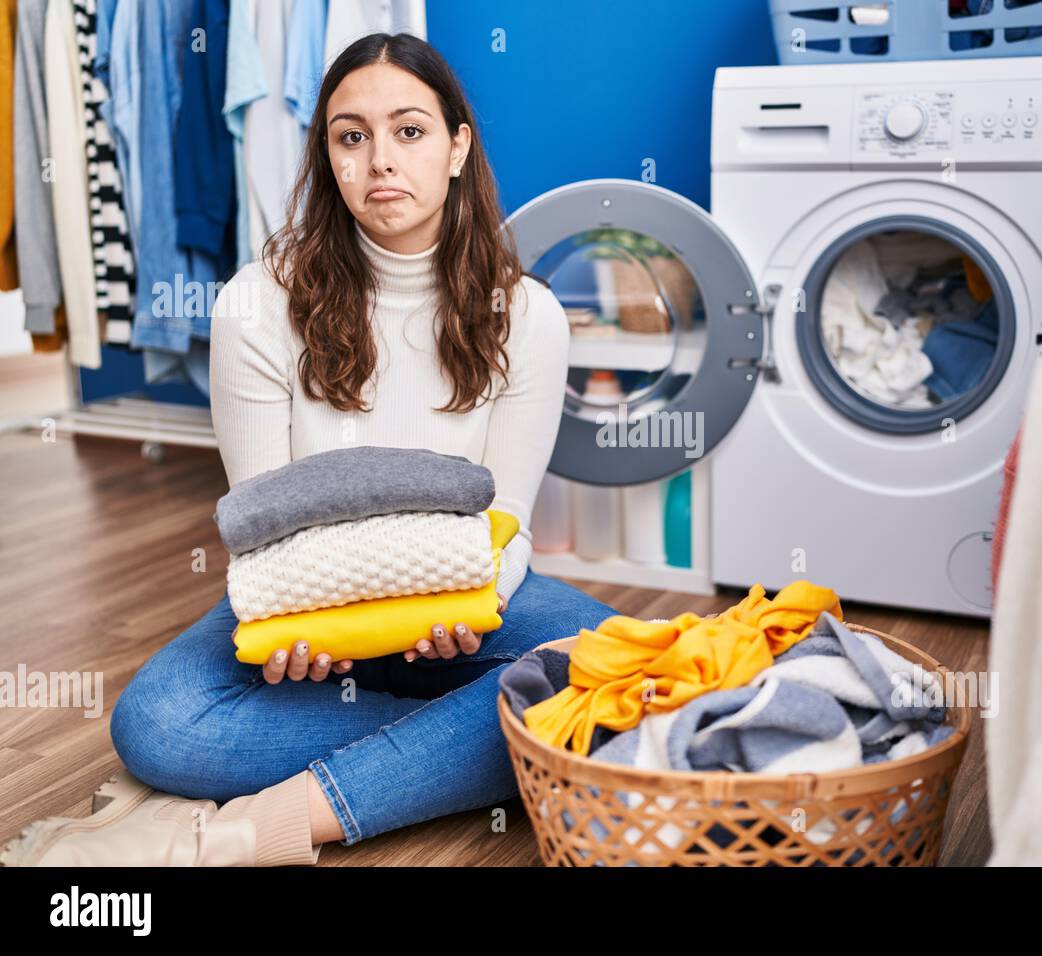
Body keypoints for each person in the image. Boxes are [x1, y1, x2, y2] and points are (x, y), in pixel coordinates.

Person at [0, 33, 619, 867]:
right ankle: (506, 735)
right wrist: (304, 620)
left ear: (458, 146)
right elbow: (265, 520)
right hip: (310, 596)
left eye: (409, 131)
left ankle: (255, 831)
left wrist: (448, 612)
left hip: (473, 599)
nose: (379, 162)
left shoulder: (529, 315)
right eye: (351, 137)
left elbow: (504, 520)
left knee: (625, 664)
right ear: (328, 156)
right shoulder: (258, 304)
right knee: (157, 725)